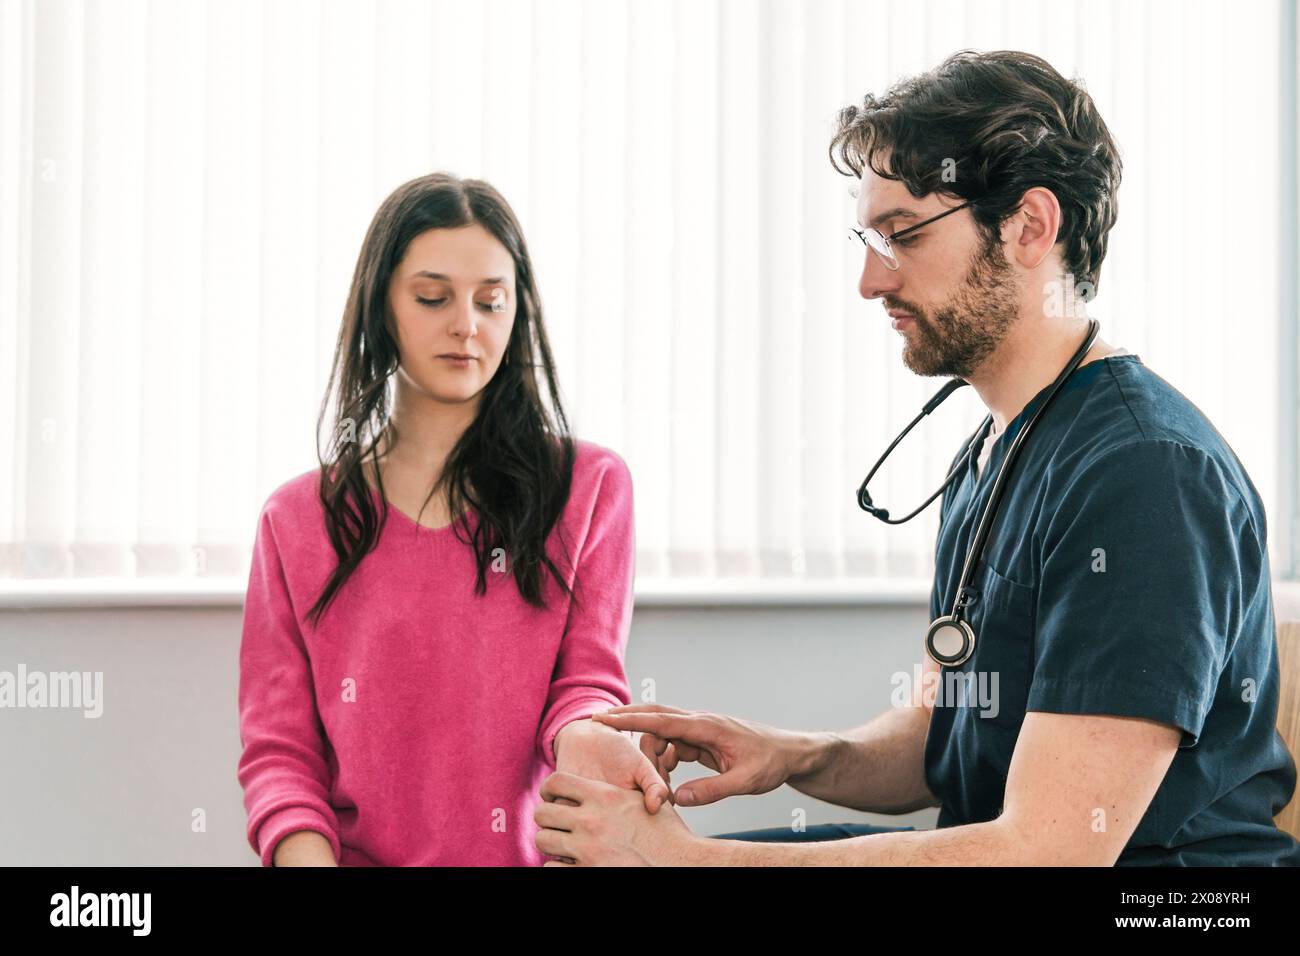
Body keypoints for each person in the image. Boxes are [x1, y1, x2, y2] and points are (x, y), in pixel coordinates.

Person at [533, 50, 1300, 866]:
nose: (869, 279)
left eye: (901, 236)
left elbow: (1050, 852)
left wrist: (693, 861)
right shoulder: (999, 448)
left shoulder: (1145, 476)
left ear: (1030, 227)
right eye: (870, 238)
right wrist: (792, 754)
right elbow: (947, 737)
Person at [236, 172, 667, 866]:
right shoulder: (294, 521)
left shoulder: (587, 489)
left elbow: (584, 685)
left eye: (491, 302)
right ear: (382, 308)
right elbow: (281, 756)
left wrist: (588, 737)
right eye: (433, 298)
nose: (466, 324)